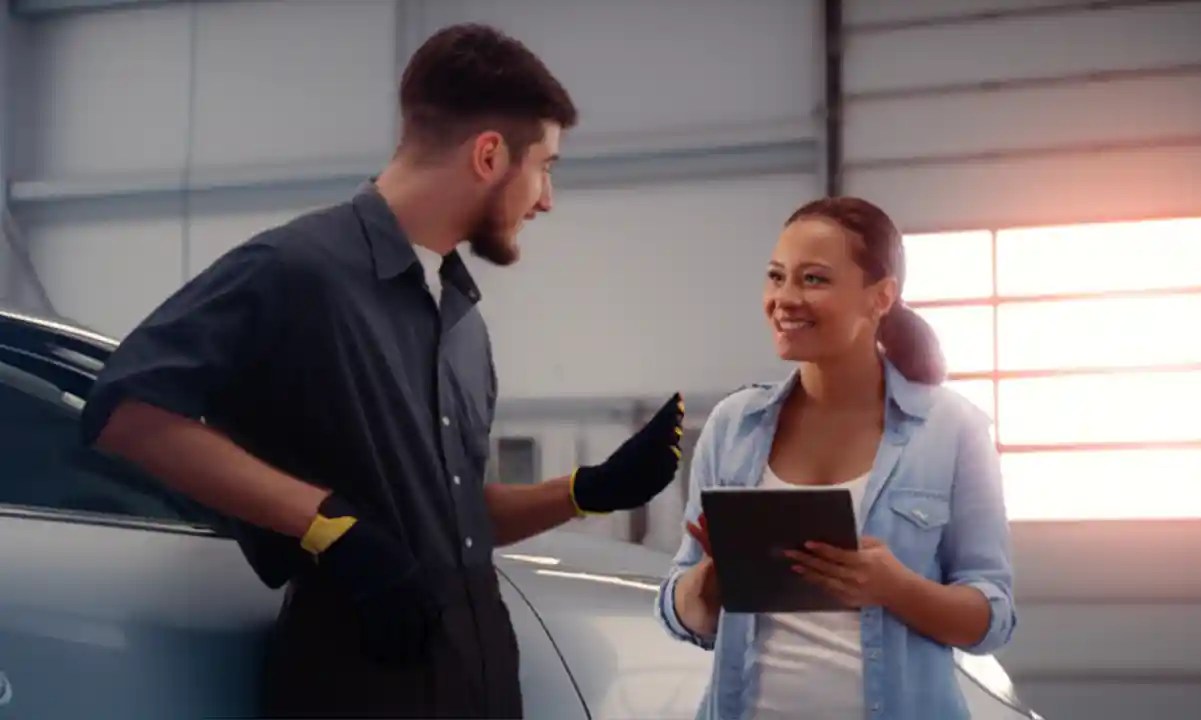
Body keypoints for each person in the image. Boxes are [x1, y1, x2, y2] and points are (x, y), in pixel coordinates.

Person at [80, 23, 685, 719]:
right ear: (489, 155)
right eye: (545, 166)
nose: (546, 198)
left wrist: (587, 489)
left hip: (481, 677)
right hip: (360, 677)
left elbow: (448, 522)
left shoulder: (462, 321)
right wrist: (325, 525)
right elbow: (126, 410)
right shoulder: (297, 270)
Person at [655, 196, 1016, 719]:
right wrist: (707, 585)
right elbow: (678, 610)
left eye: (814, 279)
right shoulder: (734, 425)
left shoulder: (953, 430)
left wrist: (896, 588)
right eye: (776, 277)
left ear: (881, 297)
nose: (784, 298)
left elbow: (993, 619)